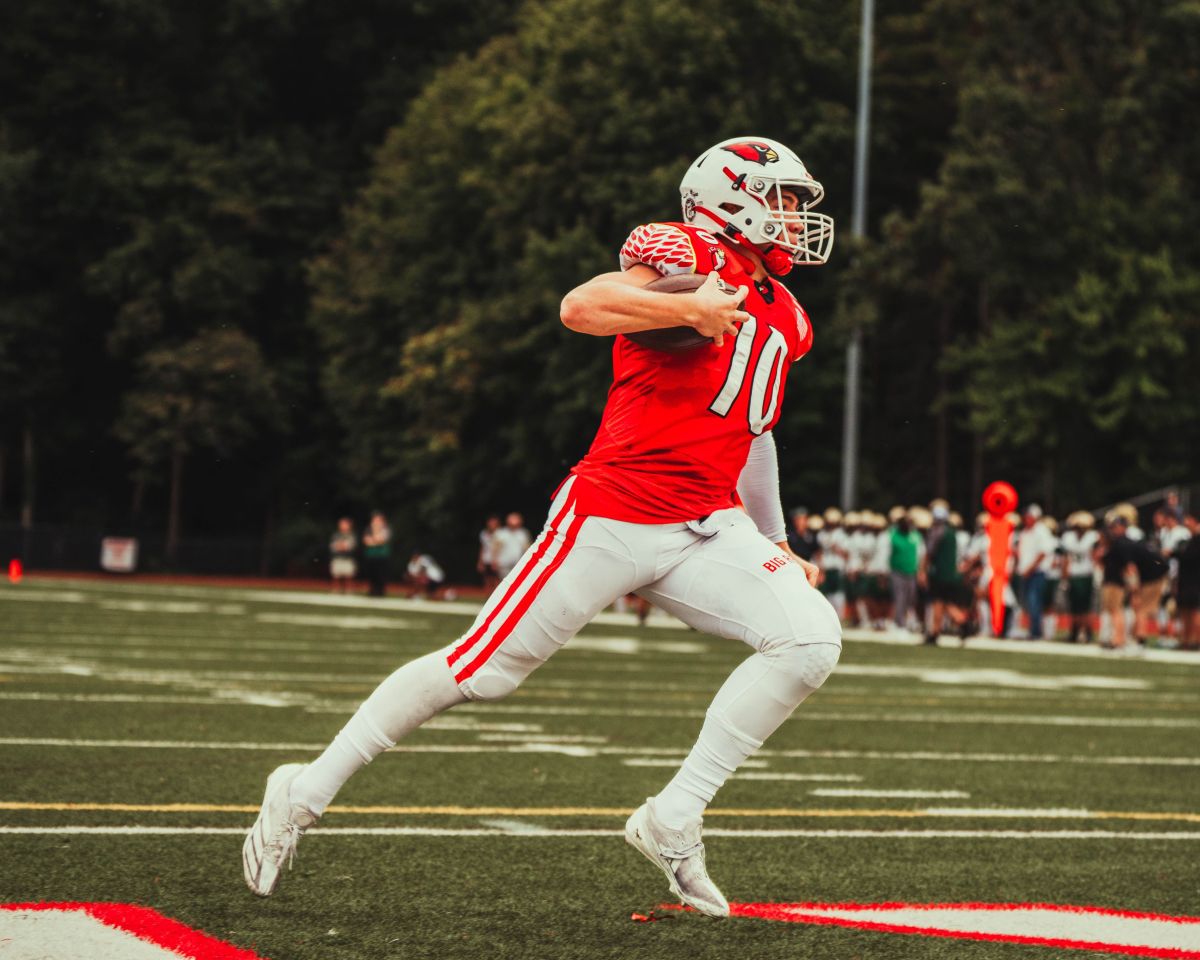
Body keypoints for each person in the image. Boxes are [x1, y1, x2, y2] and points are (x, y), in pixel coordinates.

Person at [242, 136, 841, 917]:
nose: (796, 217)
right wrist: (685, 306)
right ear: (734, 197)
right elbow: (581, 306)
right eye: (785, 199)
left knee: (810, 640)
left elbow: (754, 431)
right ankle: (302, 789)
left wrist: (777, 543)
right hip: (615, 510)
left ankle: (673, 816)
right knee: (482, 671)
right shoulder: (686, 250)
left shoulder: (788, 315)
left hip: (707, 521)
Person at [921, 503, 970, 645]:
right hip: (951, 573)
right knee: (946, 603)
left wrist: (922, 571)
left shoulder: (937, 532)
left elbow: (929, 554)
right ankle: (963, 622)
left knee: (938, 602)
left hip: (940, 573)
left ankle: (934, 633)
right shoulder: (952, 533)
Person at [1015, 504, 1055, 639]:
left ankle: (1036, 632)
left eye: (1028, 516)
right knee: (1028, 603)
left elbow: (1043, 553)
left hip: (1037, 572)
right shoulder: (1025, 531)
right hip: (1026, 572)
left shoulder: (1041, 531)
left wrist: (1030, 569)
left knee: (1034, 602)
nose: (1025, 519)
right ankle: (1032, 629)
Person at [1060, 511, 1100, 643]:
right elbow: (1065, 559)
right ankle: (1075, 631)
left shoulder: (1093, 537)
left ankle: (1087, 632)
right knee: (1074, 607)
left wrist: (1097, 574)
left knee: (1086, 607)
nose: (1080, 530)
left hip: (1087, 575)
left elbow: (1095, 557)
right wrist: (1065, 578)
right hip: (1074, 575)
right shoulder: (1069, 537)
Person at [1176, 513, 1200, 650]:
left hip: (1195, 581)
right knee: (1185, 612)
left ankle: (1196, 641)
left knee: (1195, 612)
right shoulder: (1189, 540)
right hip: (1185, 580)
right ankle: (1185, 640)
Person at [492, 511, 532, 580]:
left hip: (518, 563)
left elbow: (527, 548)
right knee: (503, 581)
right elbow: (496, 548)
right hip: (503, 563)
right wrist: (494, 560)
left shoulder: (523, 533)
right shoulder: (501, 533)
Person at [361, 511, 392, 598]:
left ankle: (380, 591)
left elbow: (380, 540)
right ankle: (372, 590)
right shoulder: (368, 529)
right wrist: (375, 540)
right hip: (371, 556)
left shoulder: (386, 529)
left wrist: (374, 537)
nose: (376, 522)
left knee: (381, 575)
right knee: (371, 574)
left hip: (382, 557)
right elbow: (366, 542)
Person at [328, 518, 357, 594]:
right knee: (336, 575)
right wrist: (342, 546)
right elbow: (333, 546)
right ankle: (335, 590)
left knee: (349, 575)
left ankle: (349, 590)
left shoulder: (351, 535)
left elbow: (350, 547)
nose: (343, 526)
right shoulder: (336, 535)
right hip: (337, 557)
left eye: (345, 524)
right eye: (342, 524)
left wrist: (342, 546)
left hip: (348, 558)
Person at [477, 515, 502, 592]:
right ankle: (488, 596)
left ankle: (498, 595)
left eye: (494, 523)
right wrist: (480, 562)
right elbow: (482, 548)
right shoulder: (483, 534)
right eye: (490, 523)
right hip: (486, 559)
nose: (492, 525)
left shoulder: (501, 534)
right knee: (487, 579)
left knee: (497, 579)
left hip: (498, 560)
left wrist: (496, 560)